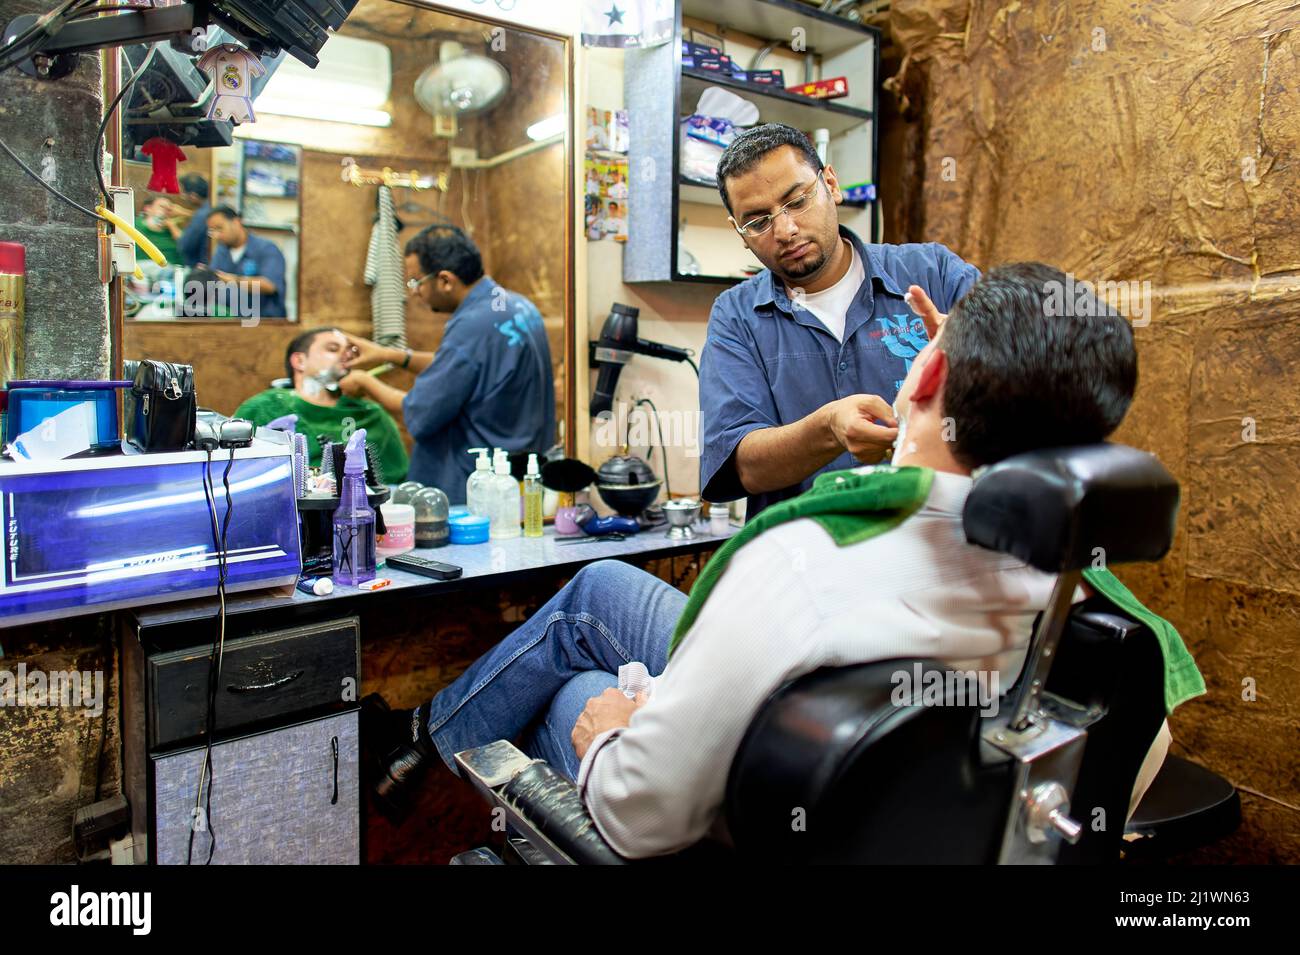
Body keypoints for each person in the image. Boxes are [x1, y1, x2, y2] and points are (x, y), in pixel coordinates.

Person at [363, 262, 1196, 859]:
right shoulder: (1081, 599)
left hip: (757, 813)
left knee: (586, 688)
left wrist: (618, 731)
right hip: (924, 814)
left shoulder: (802, 560)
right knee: (601, 593)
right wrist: (967, 388)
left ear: (931, 364)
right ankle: (420, 741)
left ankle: (412, 777)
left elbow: (632, 821)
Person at [698, 123, 981, 519]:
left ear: (830, 183)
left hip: (943, 540)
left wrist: (980, 357)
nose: (786, 230)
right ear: (739, 232)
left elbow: (1030, 374)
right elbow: (742, 464)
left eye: (797, 201)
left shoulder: (933, 273)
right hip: (810, 562)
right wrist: (828, 429)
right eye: (758, 222)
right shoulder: (736, 318)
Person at [339, 224, 554, 502]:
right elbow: (468, 367)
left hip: (471, 484)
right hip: (518, 471)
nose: (415, 292)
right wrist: (391, 355)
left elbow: (420, 413)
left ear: (445, 280)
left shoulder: (470, 326)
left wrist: (365, 382)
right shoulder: (515, 305)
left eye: (416, 282)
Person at [234, 326, 408, 483]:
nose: (346, 355)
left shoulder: (369, 413)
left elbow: (395, 482)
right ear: (299, 361)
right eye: (333, 349)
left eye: (350, 352)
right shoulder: (263, 407)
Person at [205, 205, 288, 319]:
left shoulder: (266, 249)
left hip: (264, 323)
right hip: (230, 321)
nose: (216, 235)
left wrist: (235, 280)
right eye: (212, 231)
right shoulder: (222, 251)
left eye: (220, 228)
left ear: (236, 222)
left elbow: (270, 285)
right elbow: (215, 279)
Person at [134, 195, 181, 265]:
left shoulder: (172, 230)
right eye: (162, 207)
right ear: (148, 208)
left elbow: (186, 245)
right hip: (142, 268)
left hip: (172, 270)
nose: (165, 211)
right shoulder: (134, 224)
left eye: (169, 210)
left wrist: (172, 226)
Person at [176, 173, 211, 267]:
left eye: (183, 193)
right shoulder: (210, 209)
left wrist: (171, 225)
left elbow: (184, 246)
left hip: (197, 268)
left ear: (193, 196)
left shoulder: (201, 216)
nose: (182, 197)